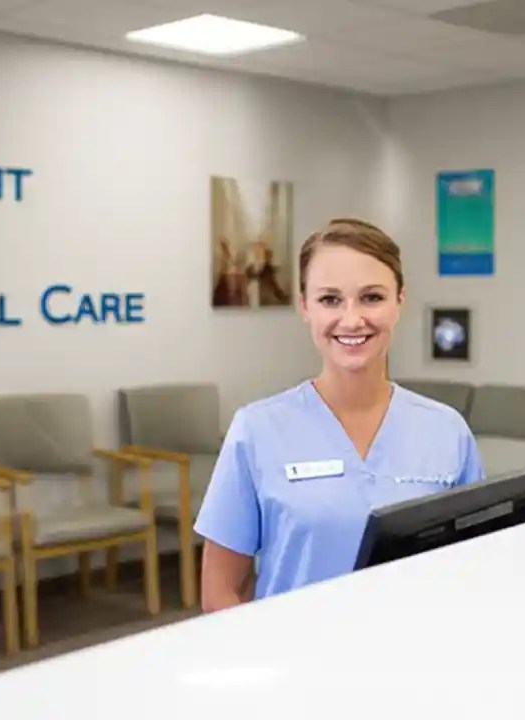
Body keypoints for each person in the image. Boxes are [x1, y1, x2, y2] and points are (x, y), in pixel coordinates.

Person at [194, 217, 486, 612]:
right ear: (304, 307)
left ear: (400, 301)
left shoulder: (446, 431)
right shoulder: (258, 430)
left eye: (371, 297)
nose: (352, 320)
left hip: (414, 661)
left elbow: (472, 569)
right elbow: (220, 590)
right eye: (330, 299)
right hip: (294, 663)